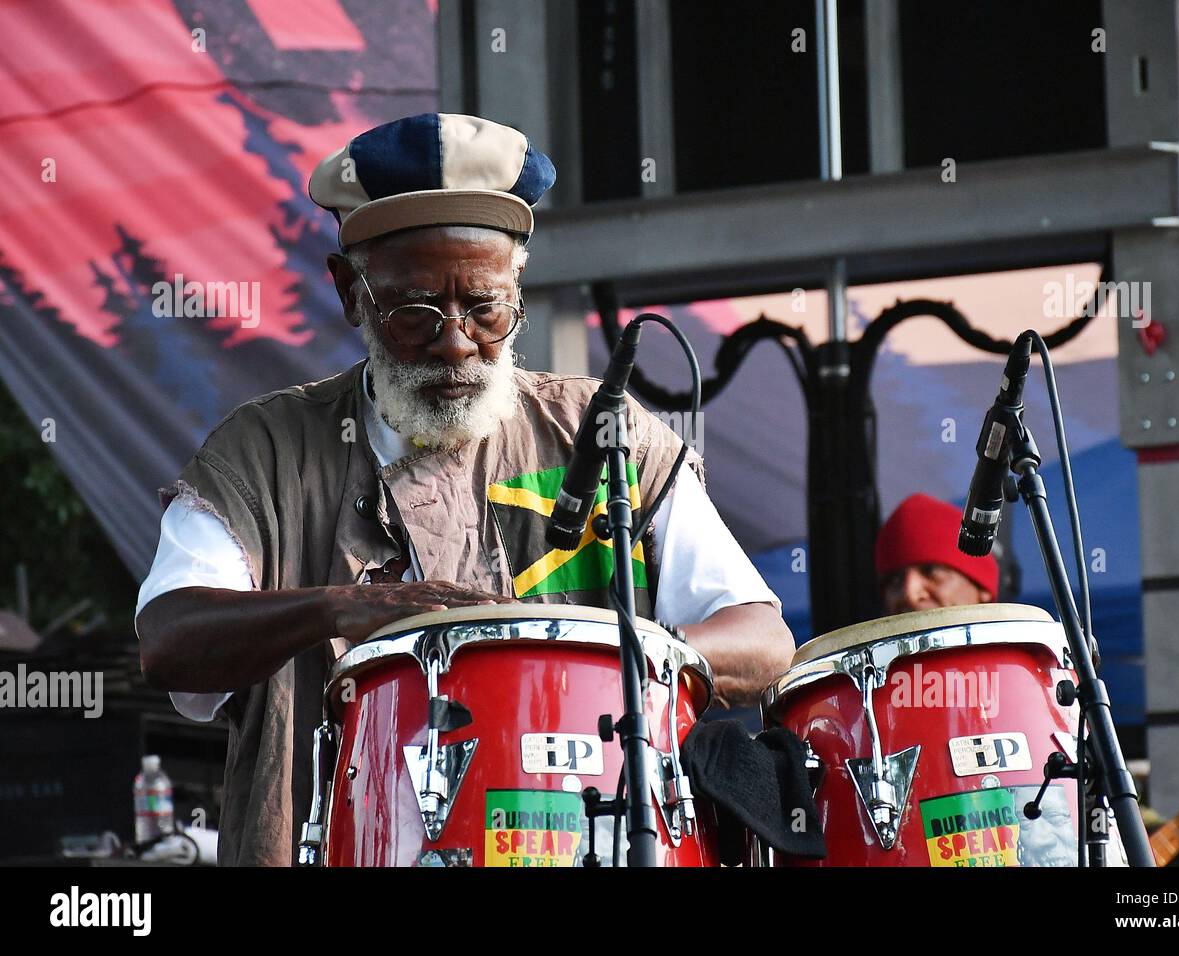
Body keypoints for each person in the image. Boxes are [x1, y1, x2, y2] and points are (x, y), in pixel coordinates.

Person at [135, 112, 794, 866]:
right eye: (414, 314)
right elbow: (171, 641)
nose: (455, 344)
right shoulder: (264, 452)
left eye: (485, 310)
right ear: (351, 293)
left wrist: (626, 653)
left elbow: (763, 644)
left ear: (517, 289)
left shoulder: (606, 433)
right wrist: (341, 607)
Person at [874, 492, 1179, 866]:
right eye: (893, 581)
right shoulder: (870, 706)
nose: (908, 593)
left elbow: (1097, 812)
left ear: (982, 588)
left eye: (931, 572)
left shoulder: (1039, 683)